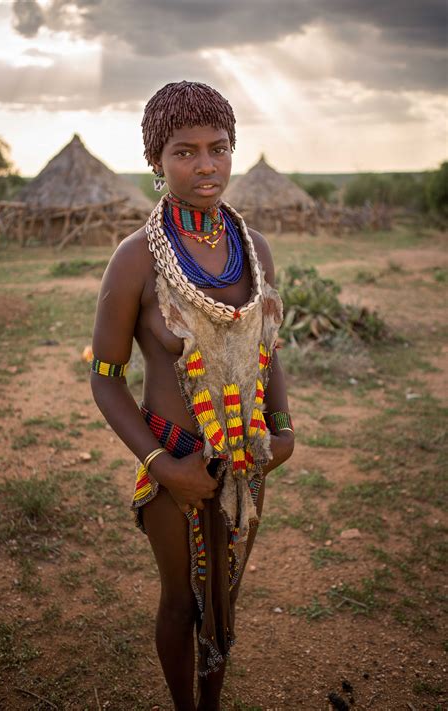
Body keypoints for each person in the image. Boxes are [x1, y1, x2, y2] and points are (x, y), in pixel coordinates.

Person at [90, 81, 294, 711]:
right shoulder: (136, 260)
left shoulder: (252, 249)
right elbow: (103, 375)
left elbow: (269, 344)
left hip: (245, 458)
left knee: (224, 601)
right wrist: (165, 466)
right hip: (174, 455)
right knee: (183, 602)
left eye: (218, 148)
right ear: (157, 161)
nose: (206, 166)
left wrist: (281, 428)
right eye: (185, 151)